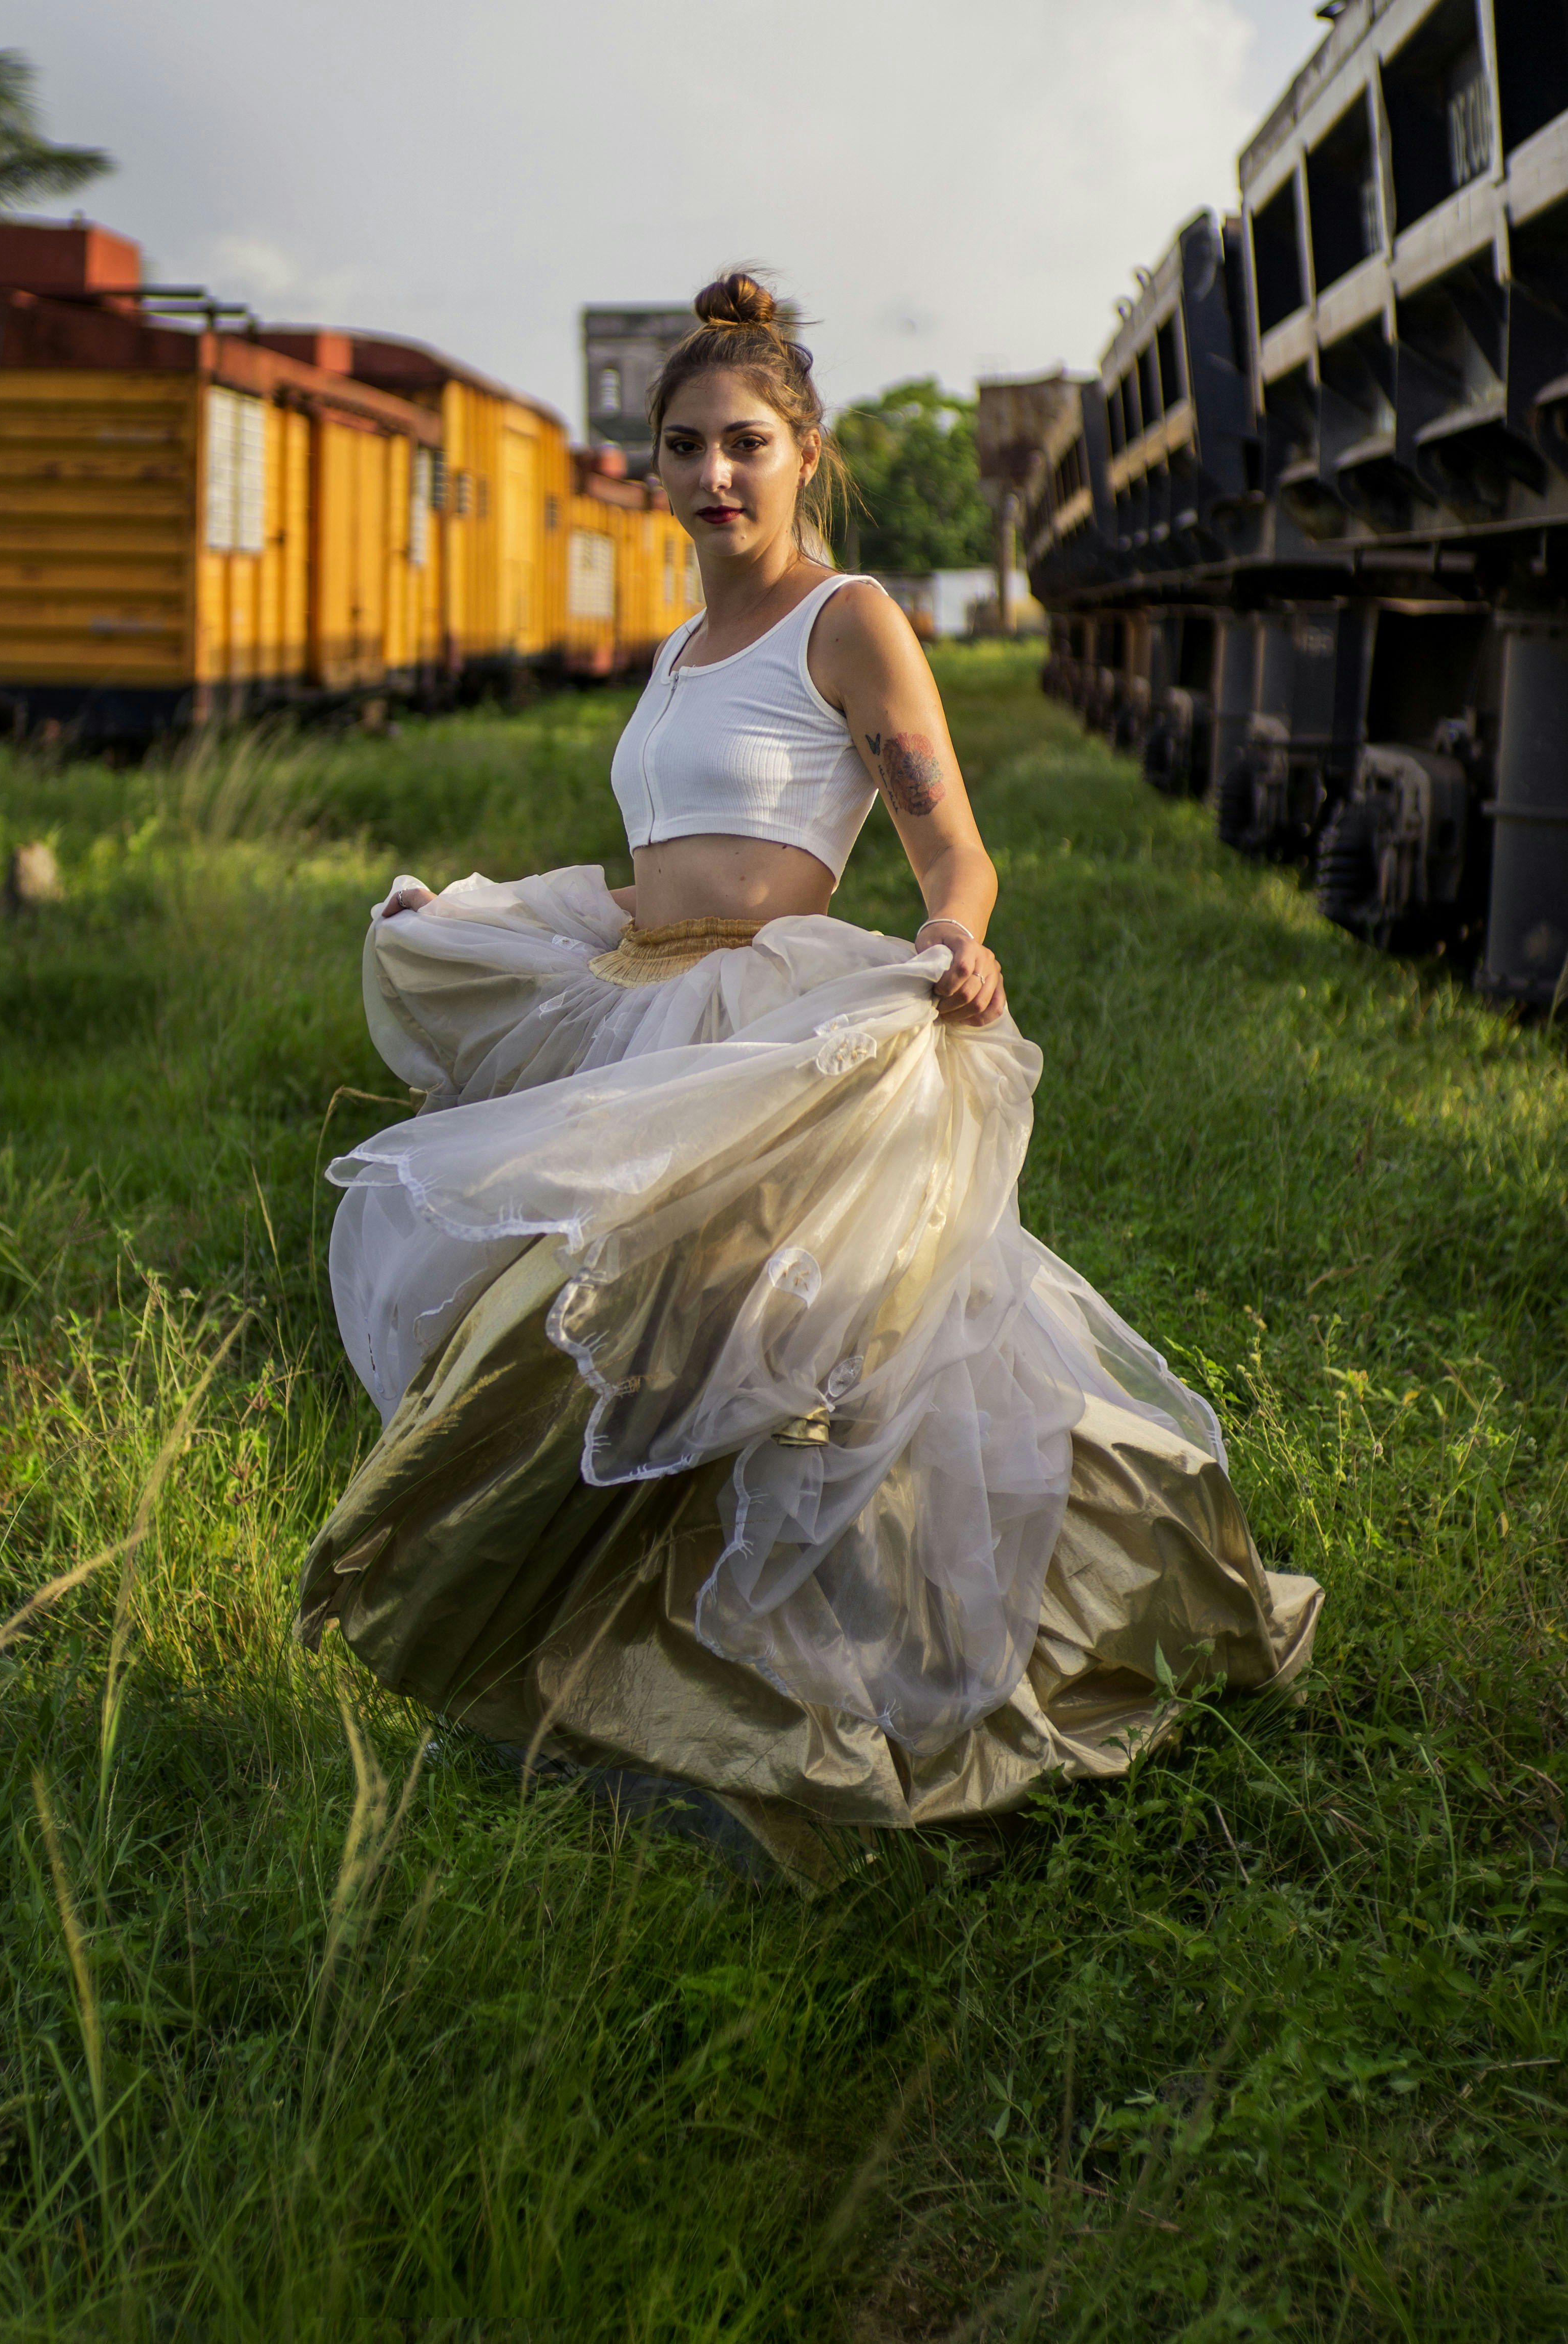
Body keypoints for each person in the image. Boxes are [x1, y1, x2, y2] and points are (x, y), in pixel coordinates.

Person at [300, 273, 1320, 1880]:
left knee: (797, 1368)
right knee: (616, 1354)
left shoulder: (844, 619)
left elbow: (949, 843)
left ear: (804, 454)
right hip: (641, 1007)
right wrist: (489, 915)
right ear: (651, 465)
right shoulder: (679, 648)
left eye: (746, 445)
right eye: (686, 447)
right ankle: (641, 1695)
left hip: (770, 1038)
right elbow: (656, 878)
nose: (715, 474)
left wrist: (956, 937)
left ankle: (1042, 1626)